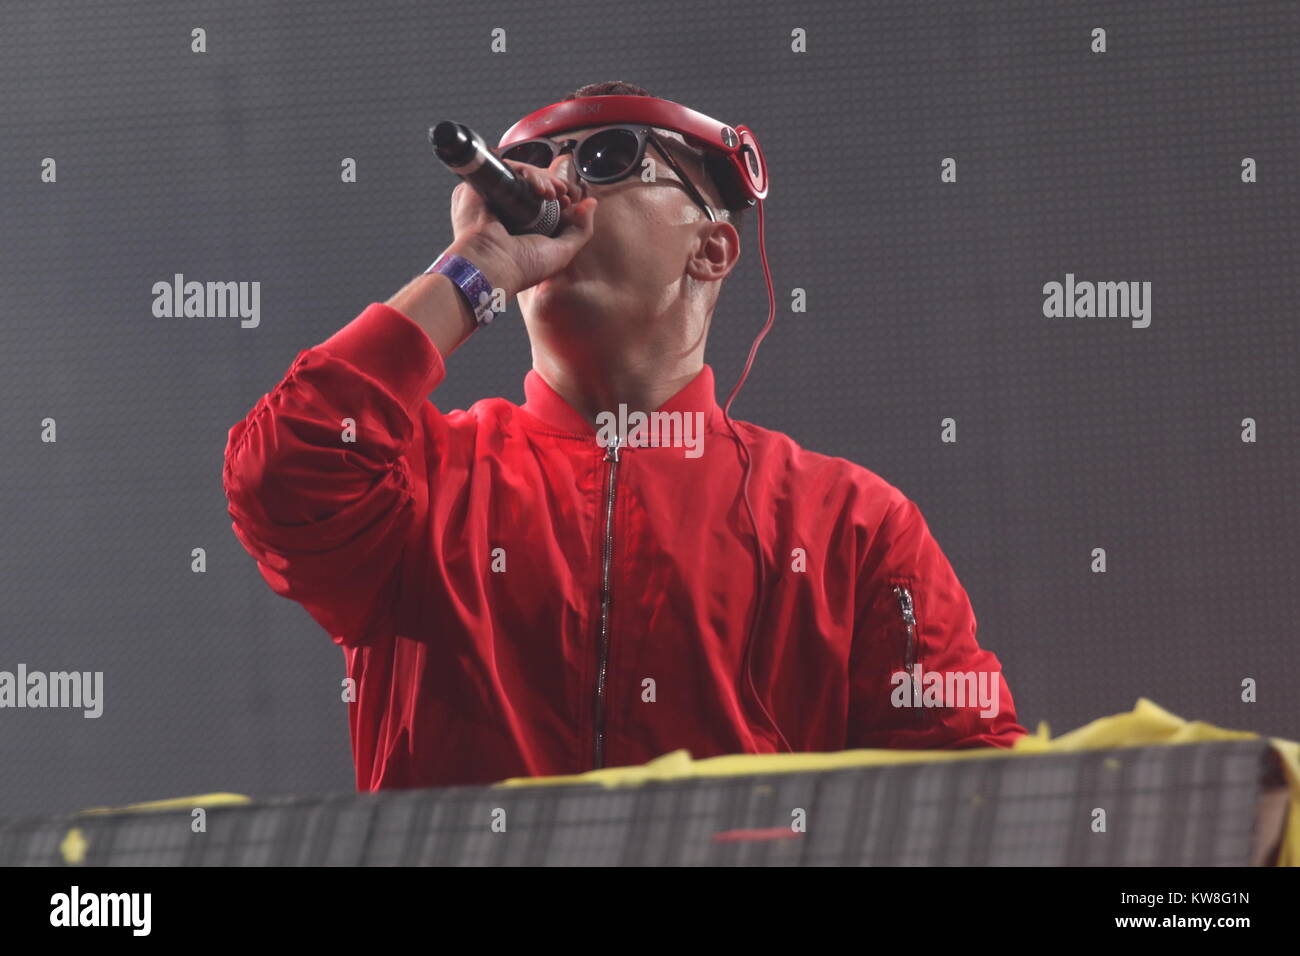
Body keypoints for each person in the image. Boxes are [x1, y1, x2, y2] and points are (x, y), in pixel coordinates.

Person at [222, 81, 1027, 792]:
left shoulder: (852, 523)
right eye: (535, 160)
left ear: (711, 248)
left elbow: (973, 789)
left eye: (608, 158)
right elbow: (278, 478)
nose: (552, 184)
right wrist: (471, 268)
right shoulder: (423, 479)